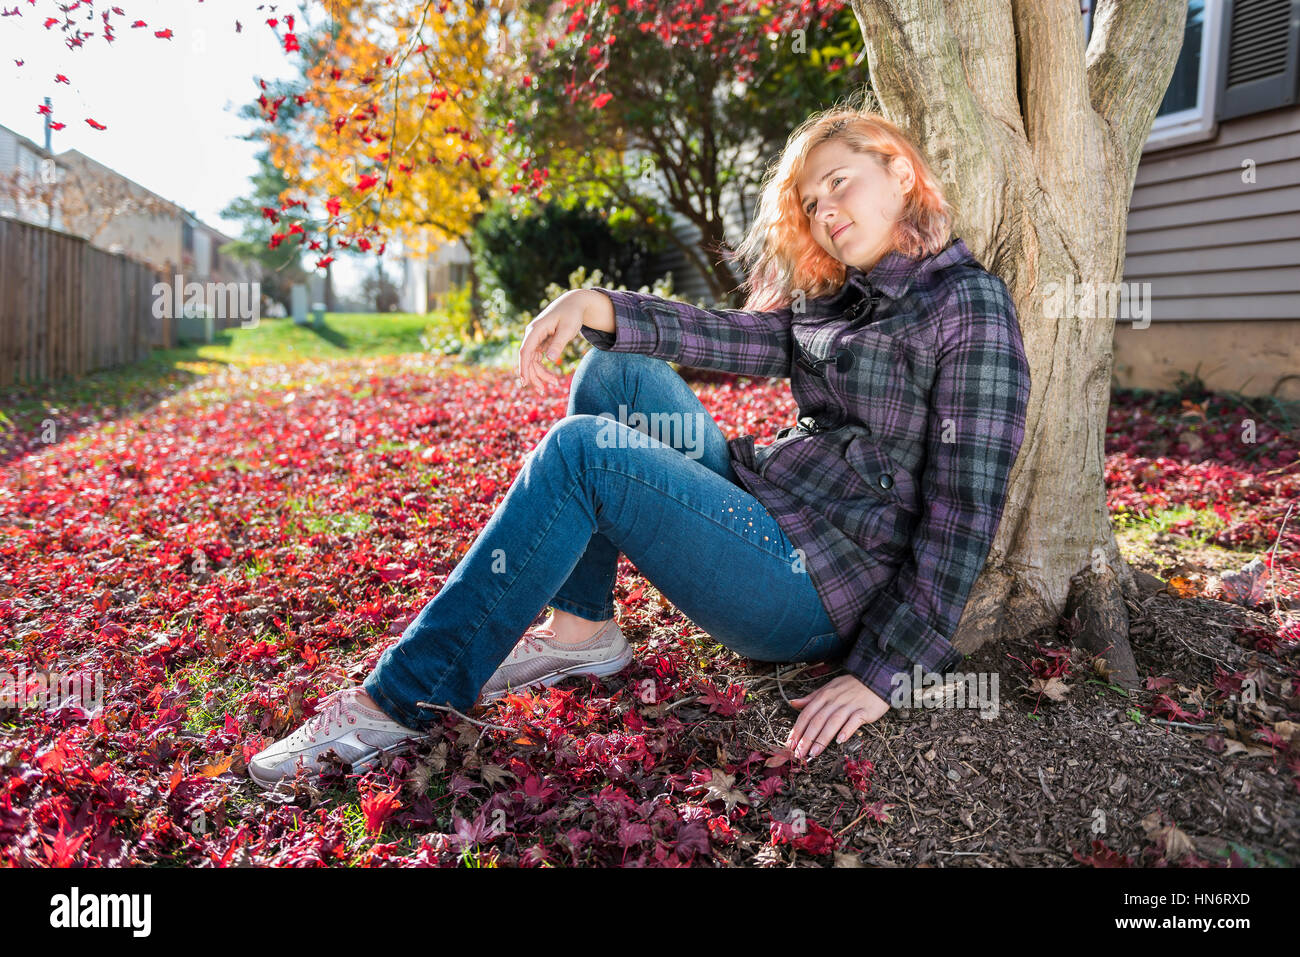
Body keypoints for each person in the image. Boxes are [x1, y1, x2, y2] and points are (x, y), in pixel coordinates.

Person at [248, 105, 1031, 792]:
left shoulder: (969, 305)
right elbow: (737, 334)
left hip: (818, 585)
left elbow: (964, 512)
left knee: (585, 452)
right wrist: (599, 306)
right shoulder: (837, 301)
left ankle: (400, 699)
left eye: (840, 181)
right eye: (811, 198)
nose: (825, 207)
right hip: (774, 506)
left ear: (898, 173)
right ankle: (584, 634)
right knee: (613, 368)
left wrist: (881, 672)